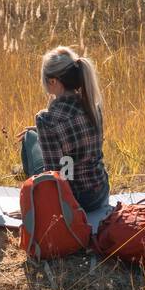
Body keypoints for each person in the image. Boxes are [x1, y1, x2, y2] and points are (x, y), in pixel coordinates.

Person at [19, 46, 110, 212]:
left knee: (28, 138)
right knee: (33, 133)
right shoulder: (93, 106)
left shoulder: (46, 119)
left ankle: (31, 193)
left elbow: (55, 174)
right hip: (100, 192)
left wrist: (37, 208)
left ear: (53, 81)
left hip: (73, 202)